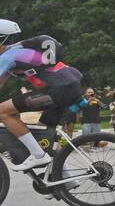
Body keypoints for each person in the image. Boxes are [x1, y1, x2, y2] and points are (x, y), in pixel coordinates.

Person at [0, 21, 84, 174]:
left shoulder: (8, 56)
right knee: (42, 138)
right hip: (69, 87)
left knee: (2, 112)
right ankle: (64, 180)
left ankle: (38, 155)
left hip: (59, 91)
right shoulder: (16, 52)